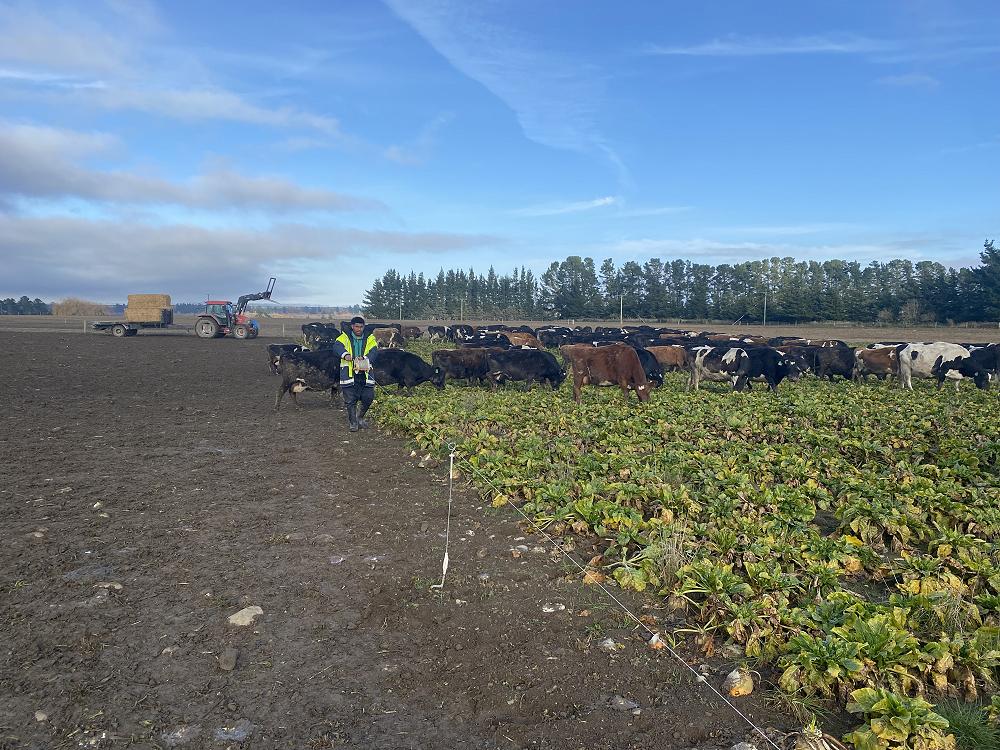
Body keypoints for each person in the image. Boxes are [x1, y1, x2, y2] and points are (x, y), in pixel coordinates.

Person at [333, 316, 378, 432]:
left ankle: (360, 417)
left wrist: (365, 358)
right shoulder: (344, 337)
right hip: (349, 373)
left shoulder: (370, 338)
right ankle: (353, 422)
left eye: (361, 327)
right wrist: (345, 355)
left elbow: (374, 351)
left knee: (368, 397)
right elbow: (337, 347)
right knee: (350, 400)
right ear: (352, 327)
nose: (359, 329)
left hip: (366, 373)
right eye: (357, 326)